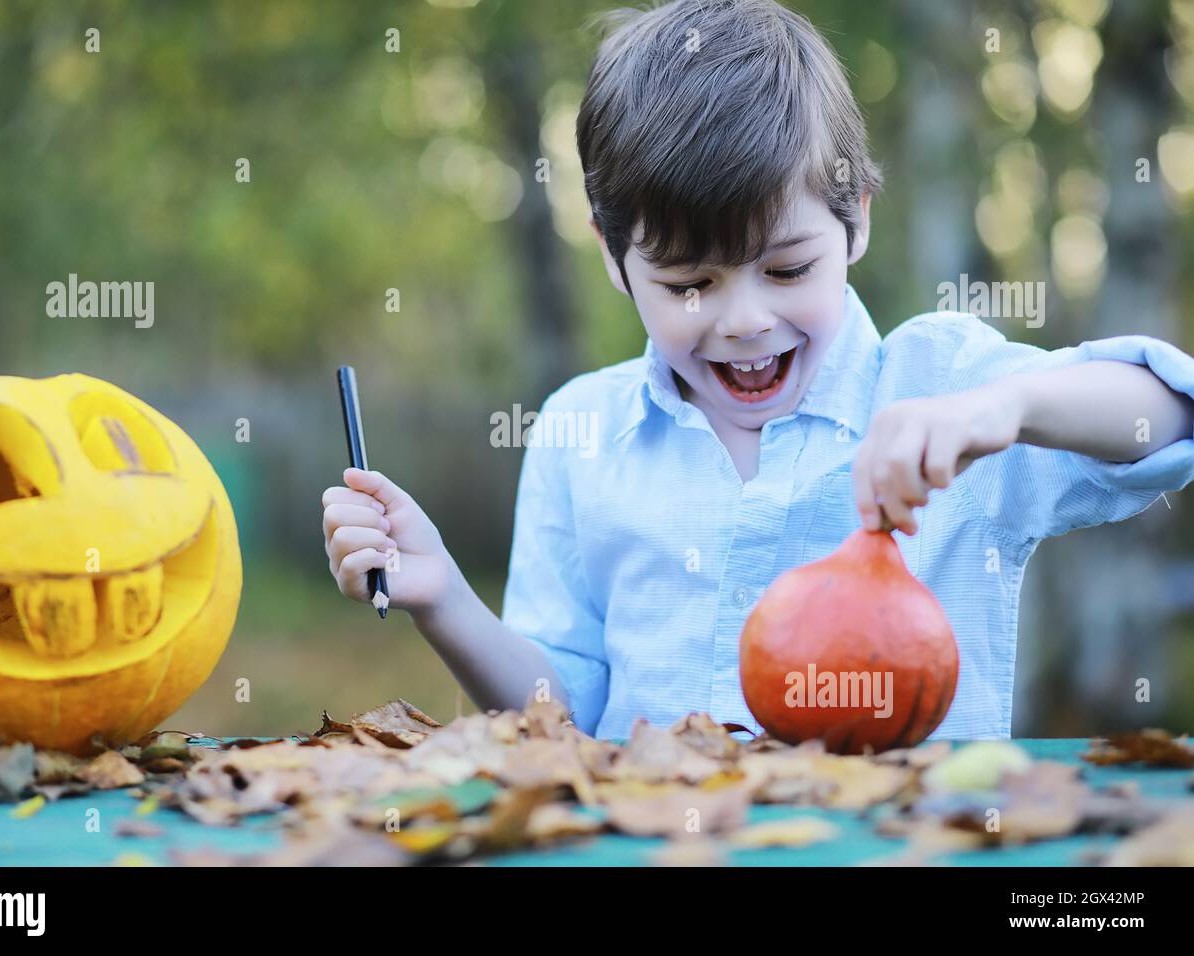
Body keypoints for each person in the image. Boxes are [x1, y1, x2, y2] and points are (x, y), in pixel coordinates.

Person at [323, 0, 1194, 742]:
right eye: (689, 284)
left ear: (855, 219)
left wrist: (1002, 408)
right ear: (614, 260)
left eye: (786, 270)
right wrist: (443, 601)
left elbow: (1170, 416)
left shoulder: (942, 381)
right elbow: (567, 718)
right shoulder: (577, 432)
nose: (743, 321)